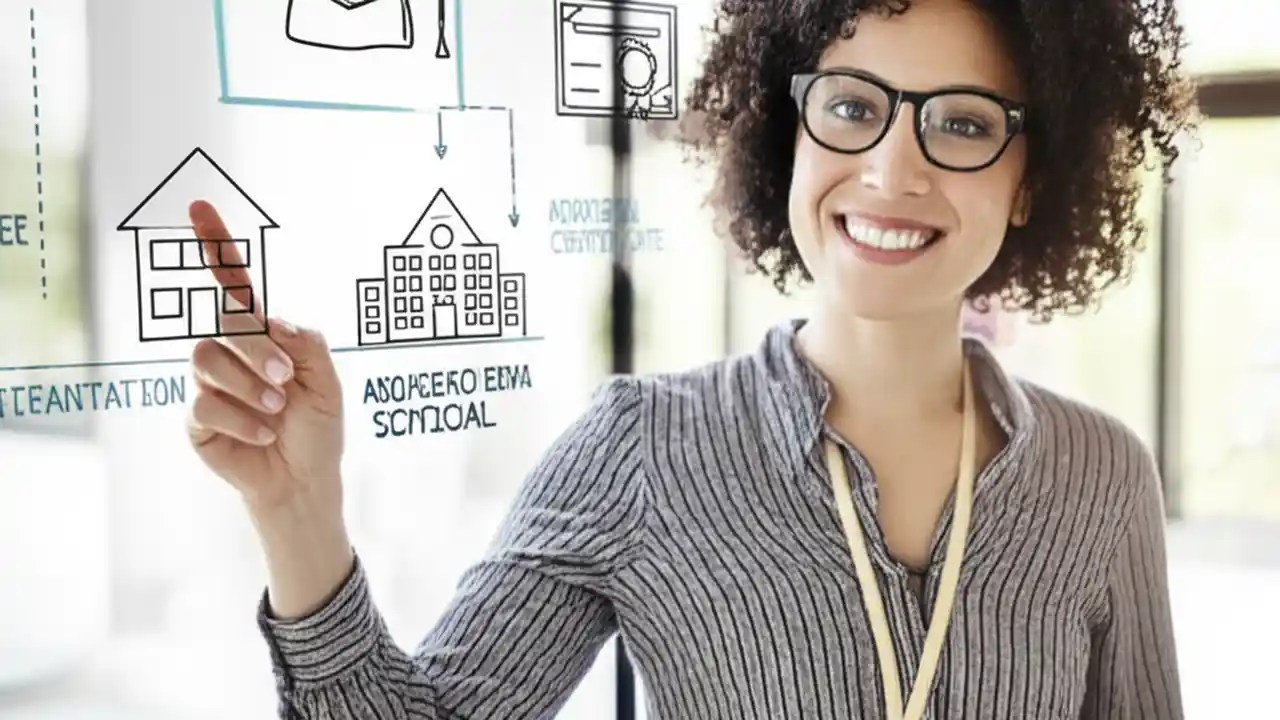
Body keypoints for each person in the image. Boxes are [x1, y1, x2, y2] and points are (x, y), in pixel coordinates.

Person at [185, 0, 1198, 717]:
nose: (893, 169)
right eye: (850, 106)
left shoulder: (1098, 475)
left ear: (1033, 180)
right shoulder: (642, 446)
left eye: (964, 124)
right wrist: (297, 513)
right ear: (784, 133)